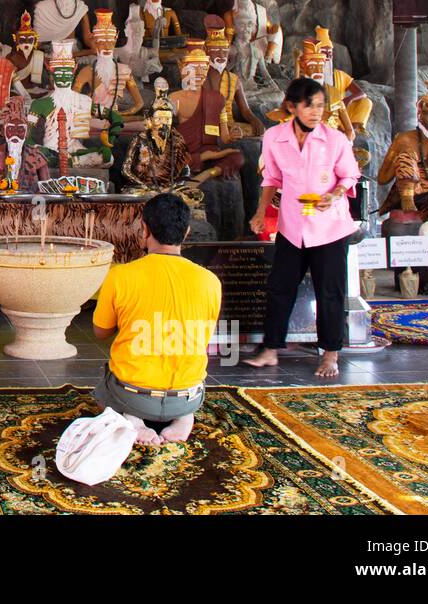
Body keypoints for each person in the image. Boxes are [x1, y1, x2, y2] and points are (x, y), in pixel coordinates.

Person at [246, 77, 361, 379]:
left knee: (330, 292)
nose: (315, 111)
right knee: (280, 287)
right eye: (308, 105)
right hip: (292, 226)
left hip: (330, 227)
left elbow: (349, 177)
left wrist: (334, 195)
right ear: (292, 107)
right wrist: (260, 212)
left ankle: (331, 354)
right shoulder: (274, 137)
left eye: (320, 105)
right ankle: (271, 349)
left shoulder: (335, 139)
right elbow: (271, 178)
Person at [91, 193, 220, 446]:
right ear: (187, 232)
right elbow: (203, 336)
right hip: (188, 394)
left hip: (133, 395)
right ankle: (183, 417)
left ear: (144, 229)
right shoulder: (210, 281)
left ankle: (134, 419)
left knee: (104, 384)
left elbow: (100, 332)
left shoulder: (121, 276)